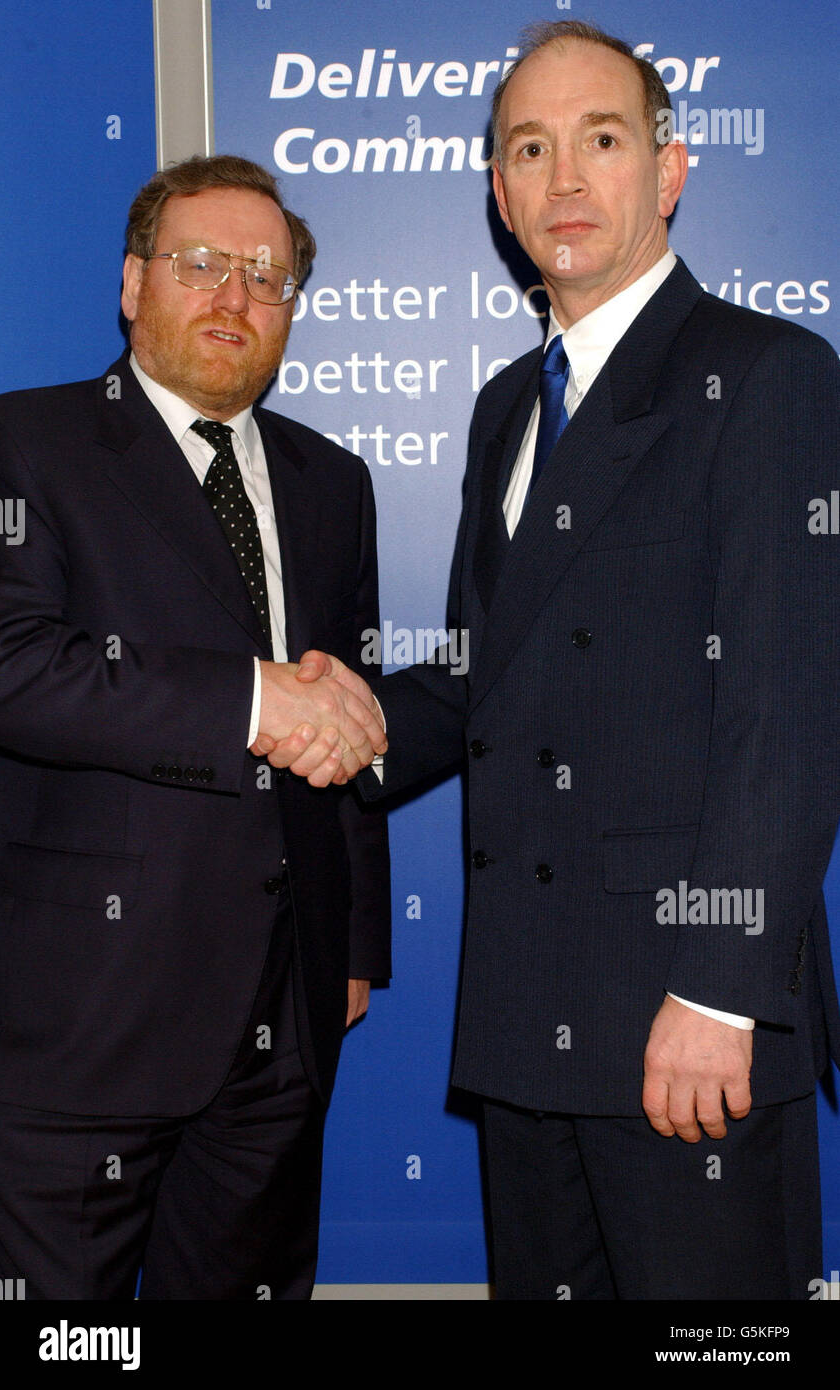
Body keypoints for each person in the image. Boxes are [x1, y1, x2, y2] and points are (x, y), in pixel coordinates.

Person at [283, 22, 840, 1299]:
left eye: (601, 140)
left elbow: (790, 716)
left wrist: (718, 992)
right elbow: (487, 673)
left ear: (669, 169)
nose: (566, 179)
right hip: (528, 1014)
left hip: (679, 1025)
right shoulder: (502, 407)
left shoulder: (766, 376)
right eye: (529, 149)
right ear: (498, 192)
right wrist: (311, 718)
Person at [0, 154, 390, 1300]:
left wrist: (353, 936)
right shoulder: (23, 445)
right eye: (200, 264)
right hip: (80, 1016)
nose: (233, 297)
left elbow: (346, 709)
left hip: (283, 1016)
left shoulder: (332, 482)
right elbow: (9, 666)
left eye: (265, 276)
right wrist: (256, 700)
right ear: (132, 284)